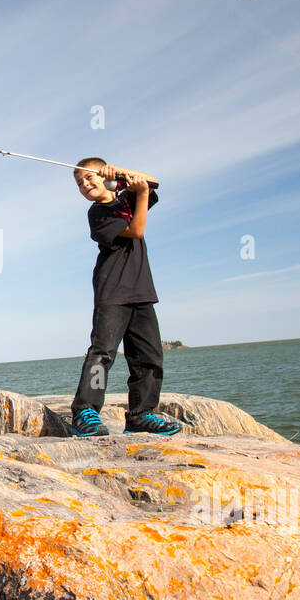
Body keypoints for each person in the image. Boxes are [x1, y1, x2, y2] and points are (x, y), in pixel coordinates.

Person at [69, 158, 181, 437]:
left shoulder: (126, 199)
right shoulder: (98, 213)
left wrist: (121, 173)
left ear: (104, 175)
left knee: (149, 357)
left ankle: (141, 414)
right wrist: (140, 194)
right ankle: (86, 411)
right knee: (102, 353)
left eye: (89, 177)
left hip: (141, 290)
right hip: (112, 291)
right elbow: (136, 231)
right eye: (80, 183)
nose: (85, 185)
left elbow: (153, 181)